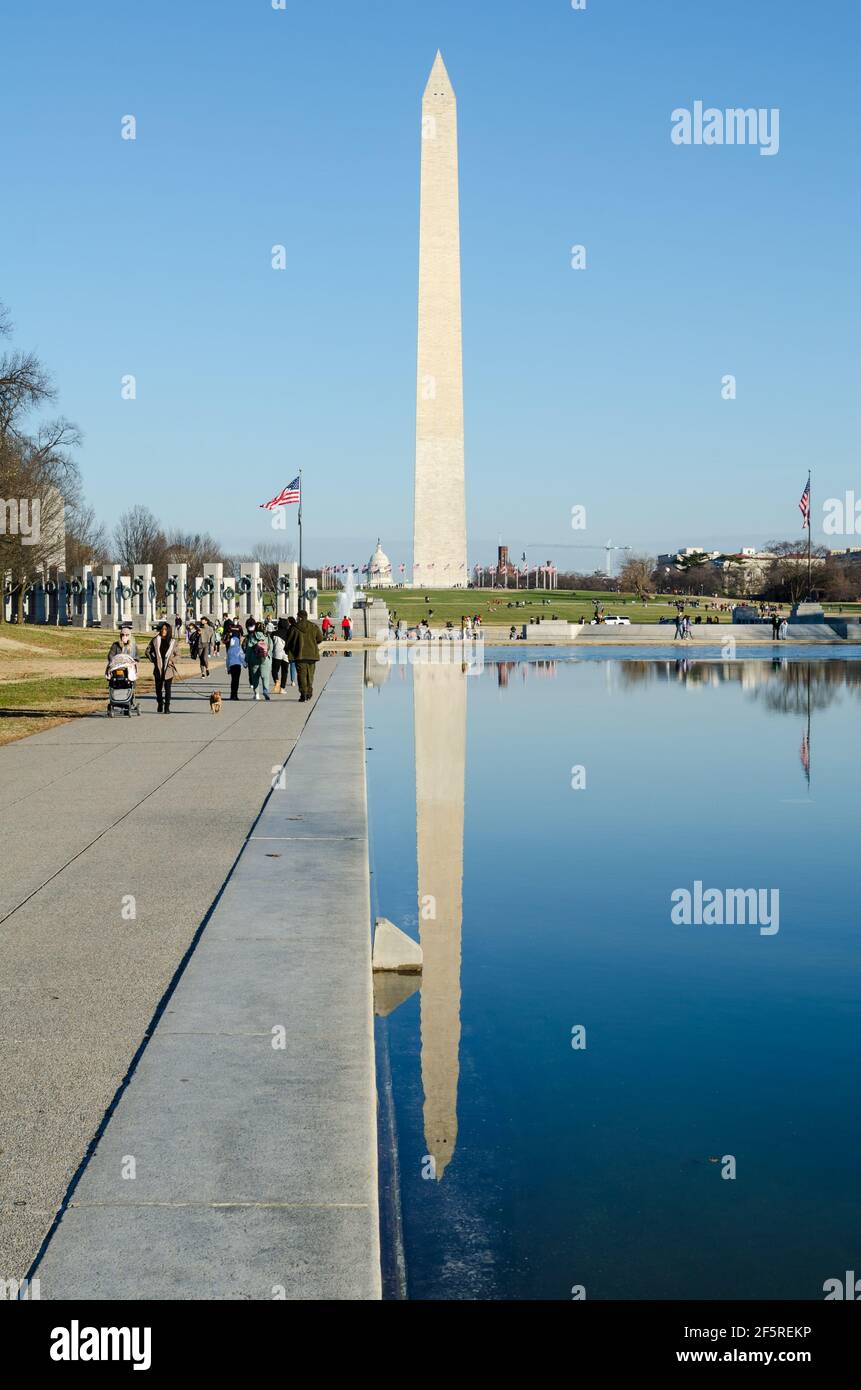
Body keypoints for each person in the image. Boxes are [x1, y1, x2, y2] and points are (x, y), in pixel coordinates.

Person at [287, 608, 324, 702]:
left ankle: (303, 693)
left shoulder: (294, 627)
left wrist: (289, 650)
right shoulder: (313, 626)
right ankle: (309, 692)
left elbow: (289, 641)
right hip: (312, 655)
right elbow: (320, 638)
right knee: (310, 675)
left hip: (300, 655)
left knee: (301, 675)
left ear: (299, 617)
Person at [146, 621, 179, 713]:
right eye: (162, 629)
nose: (163, 630)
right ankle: (160, 703)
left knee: (168, 689)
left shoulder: (173, 642)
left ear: (168, 630)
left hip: (168, 669)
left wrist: (172, 661)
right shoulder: (155, 640)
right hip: (158, 669)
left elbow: (178, 655)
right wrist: (153, 659)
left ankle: (167, 707)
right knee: (158, 689)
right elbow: (147, 651)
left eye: (165, 629)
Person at [242, 617, 272, 701]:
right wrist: (269, 658)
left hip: (253, 660)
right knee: (265, 677)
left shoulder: (252, 636)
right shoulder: (267, 637)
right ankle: (265, 690)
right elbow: (271, 648)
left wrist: (246, 660)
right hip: (265, 659)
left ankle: (257, 694)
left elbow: (248, 649)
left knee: (255, 677)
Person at [272, 617, 296, 693]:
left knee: (274, 670)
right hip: (286, 655)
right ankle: (282, 688)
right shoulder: (289, 633)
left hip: (276, 654)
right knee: (284, 671)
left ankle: (276, 680)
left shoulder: (274, 633)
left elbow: (270, 644)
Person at [224, 621, 246, 700]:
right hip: (238, 666)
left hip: (232, 666)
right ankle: (235, 695)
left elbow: (227, 660)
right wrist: (245, 664)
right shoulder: (238, 648)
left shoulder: (229, 650)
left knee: (233, 680)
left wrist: (228, 668)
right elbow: (242, 657)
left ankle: (232, 694)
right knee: (236, 681)